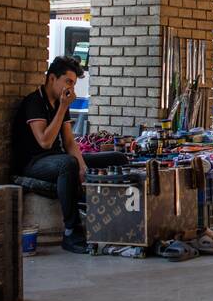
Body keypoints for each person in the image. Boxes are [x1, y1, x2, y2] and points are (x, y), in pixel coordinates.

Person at [11, 56, 127, 253]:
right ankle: (71, 231)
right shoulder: (34, 102)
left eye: (73, 83)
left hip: (58, 158)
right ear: (52, 79)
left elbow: (69, 142)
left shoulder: (59, 102)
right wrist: (64, 107)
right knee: (67, 164)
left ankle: (117, 221)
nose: (71, 88)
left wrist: (83, 166)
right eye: (68, 82)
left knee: (118, 158)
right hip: (34, 163)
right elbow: (45, 142)